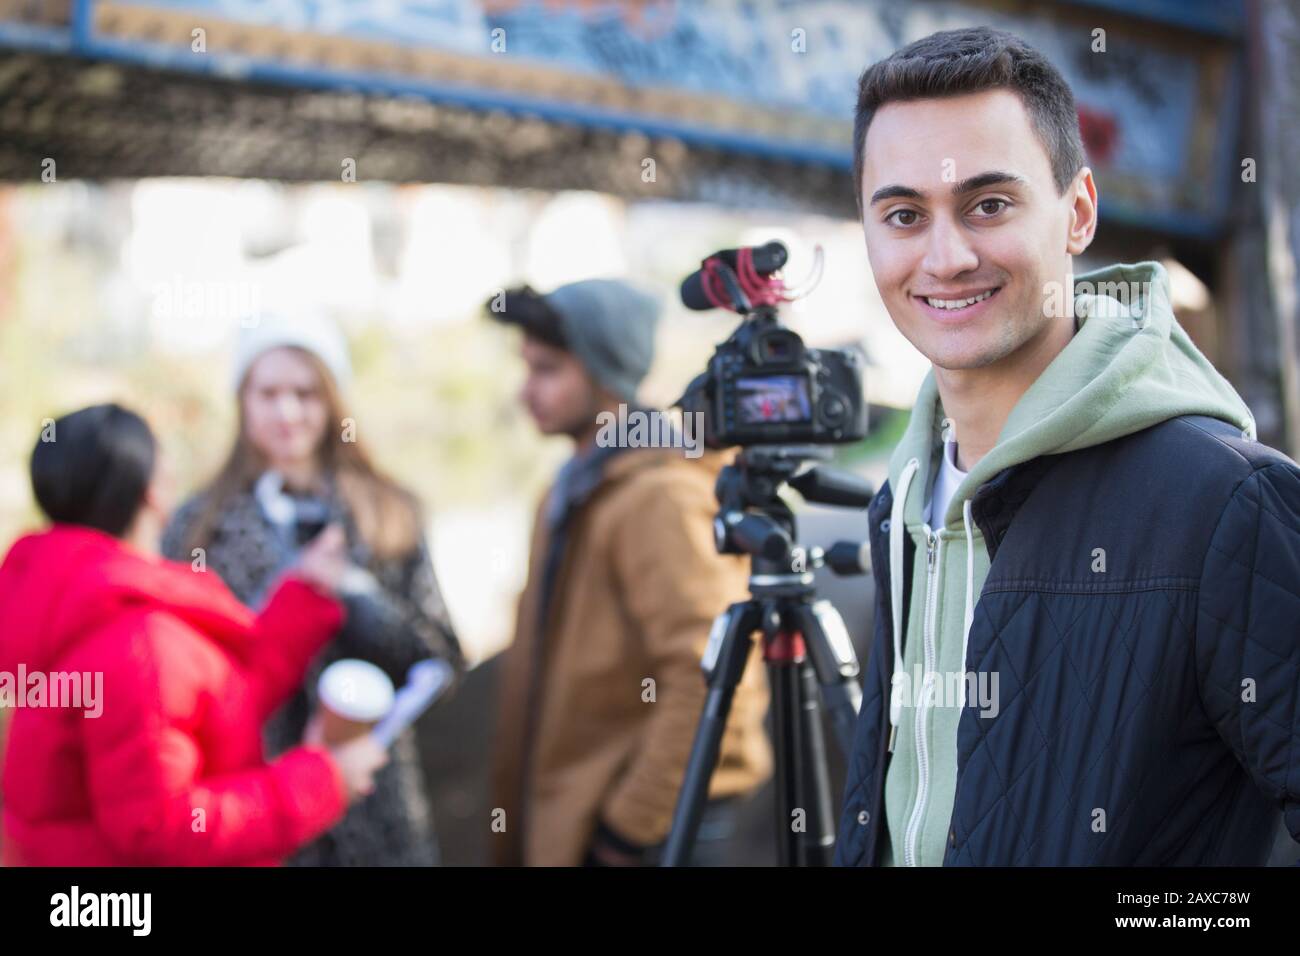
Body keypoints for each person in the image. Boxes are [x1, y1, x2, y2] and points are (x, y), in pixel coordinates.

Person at [835, 26, 1300, 867]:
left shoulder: (1229, 502)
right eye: (904, 215)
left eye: (988, 205)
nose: (946, 256)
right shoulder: (901, 500)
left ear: (1077, 212)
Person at [0, 403, 387, 866]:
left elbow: (207, 705)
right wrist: (321, 782)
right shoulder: (139, 639)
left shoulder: (65, 599)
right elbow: (158, 828)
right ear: (153, 491)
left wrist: (305, 596)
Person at [486, 279, 772, 867]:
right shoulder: (574, 486)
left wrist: (629, 828)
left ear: (601, 373)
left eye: (546, 370)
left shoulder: (658, 496)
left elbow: (714, 672)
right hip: (584, 820)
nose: (526, 391)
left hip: (655, 832)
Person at [163, 315, 463, 866]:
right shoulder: (199, 527)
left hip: (375, 804)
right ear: (242, 400)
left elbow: (440, 658)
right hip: (256, 805)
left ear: (332, 400)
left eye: (305, 393)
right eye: (268, 392)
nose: (287, 412)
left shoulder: (385, 514)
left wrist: (353, 596)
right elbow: (178, 678)